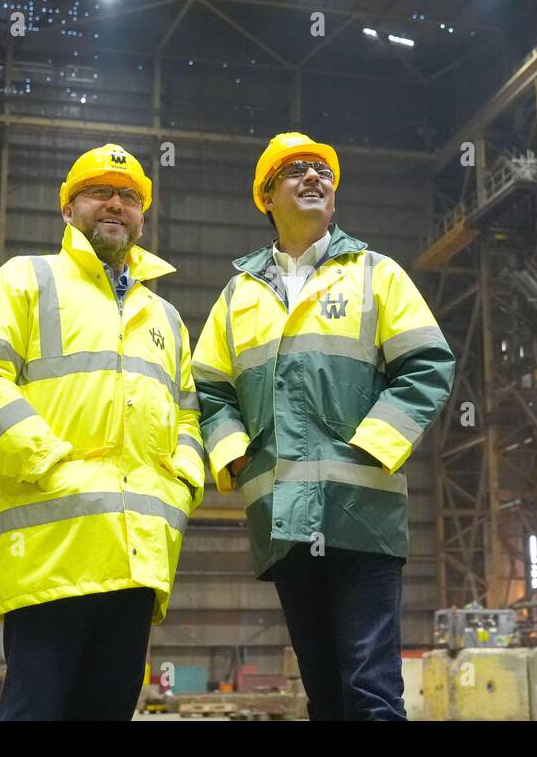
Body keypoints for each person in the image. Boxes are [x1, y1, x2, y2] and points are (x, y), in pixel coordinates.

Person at [193, 132, 455, 720]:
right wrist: (234, 454)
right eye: (295, 171)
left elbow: (429, 363)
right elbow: (207, 389)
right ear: (266, 196)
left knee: (371, 689)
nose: (314, 178)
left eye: (322, 171)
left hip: (361, 512)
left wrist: (373, 446)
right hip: (283, 518)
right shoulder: (238, 296)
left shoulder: (375, 274)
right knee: (326, 695)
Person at [0, 144, 204, 720]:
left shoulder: (165, 319)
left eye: (130, 196)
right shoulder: (25, 280)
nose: (115, 204)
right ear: (68, 210)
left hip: (137, 556)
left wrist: (181, 483)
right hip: (52, 555)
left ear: (142, 217)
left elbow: (189, 413)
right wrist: (51, 465)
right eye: (98, 192)